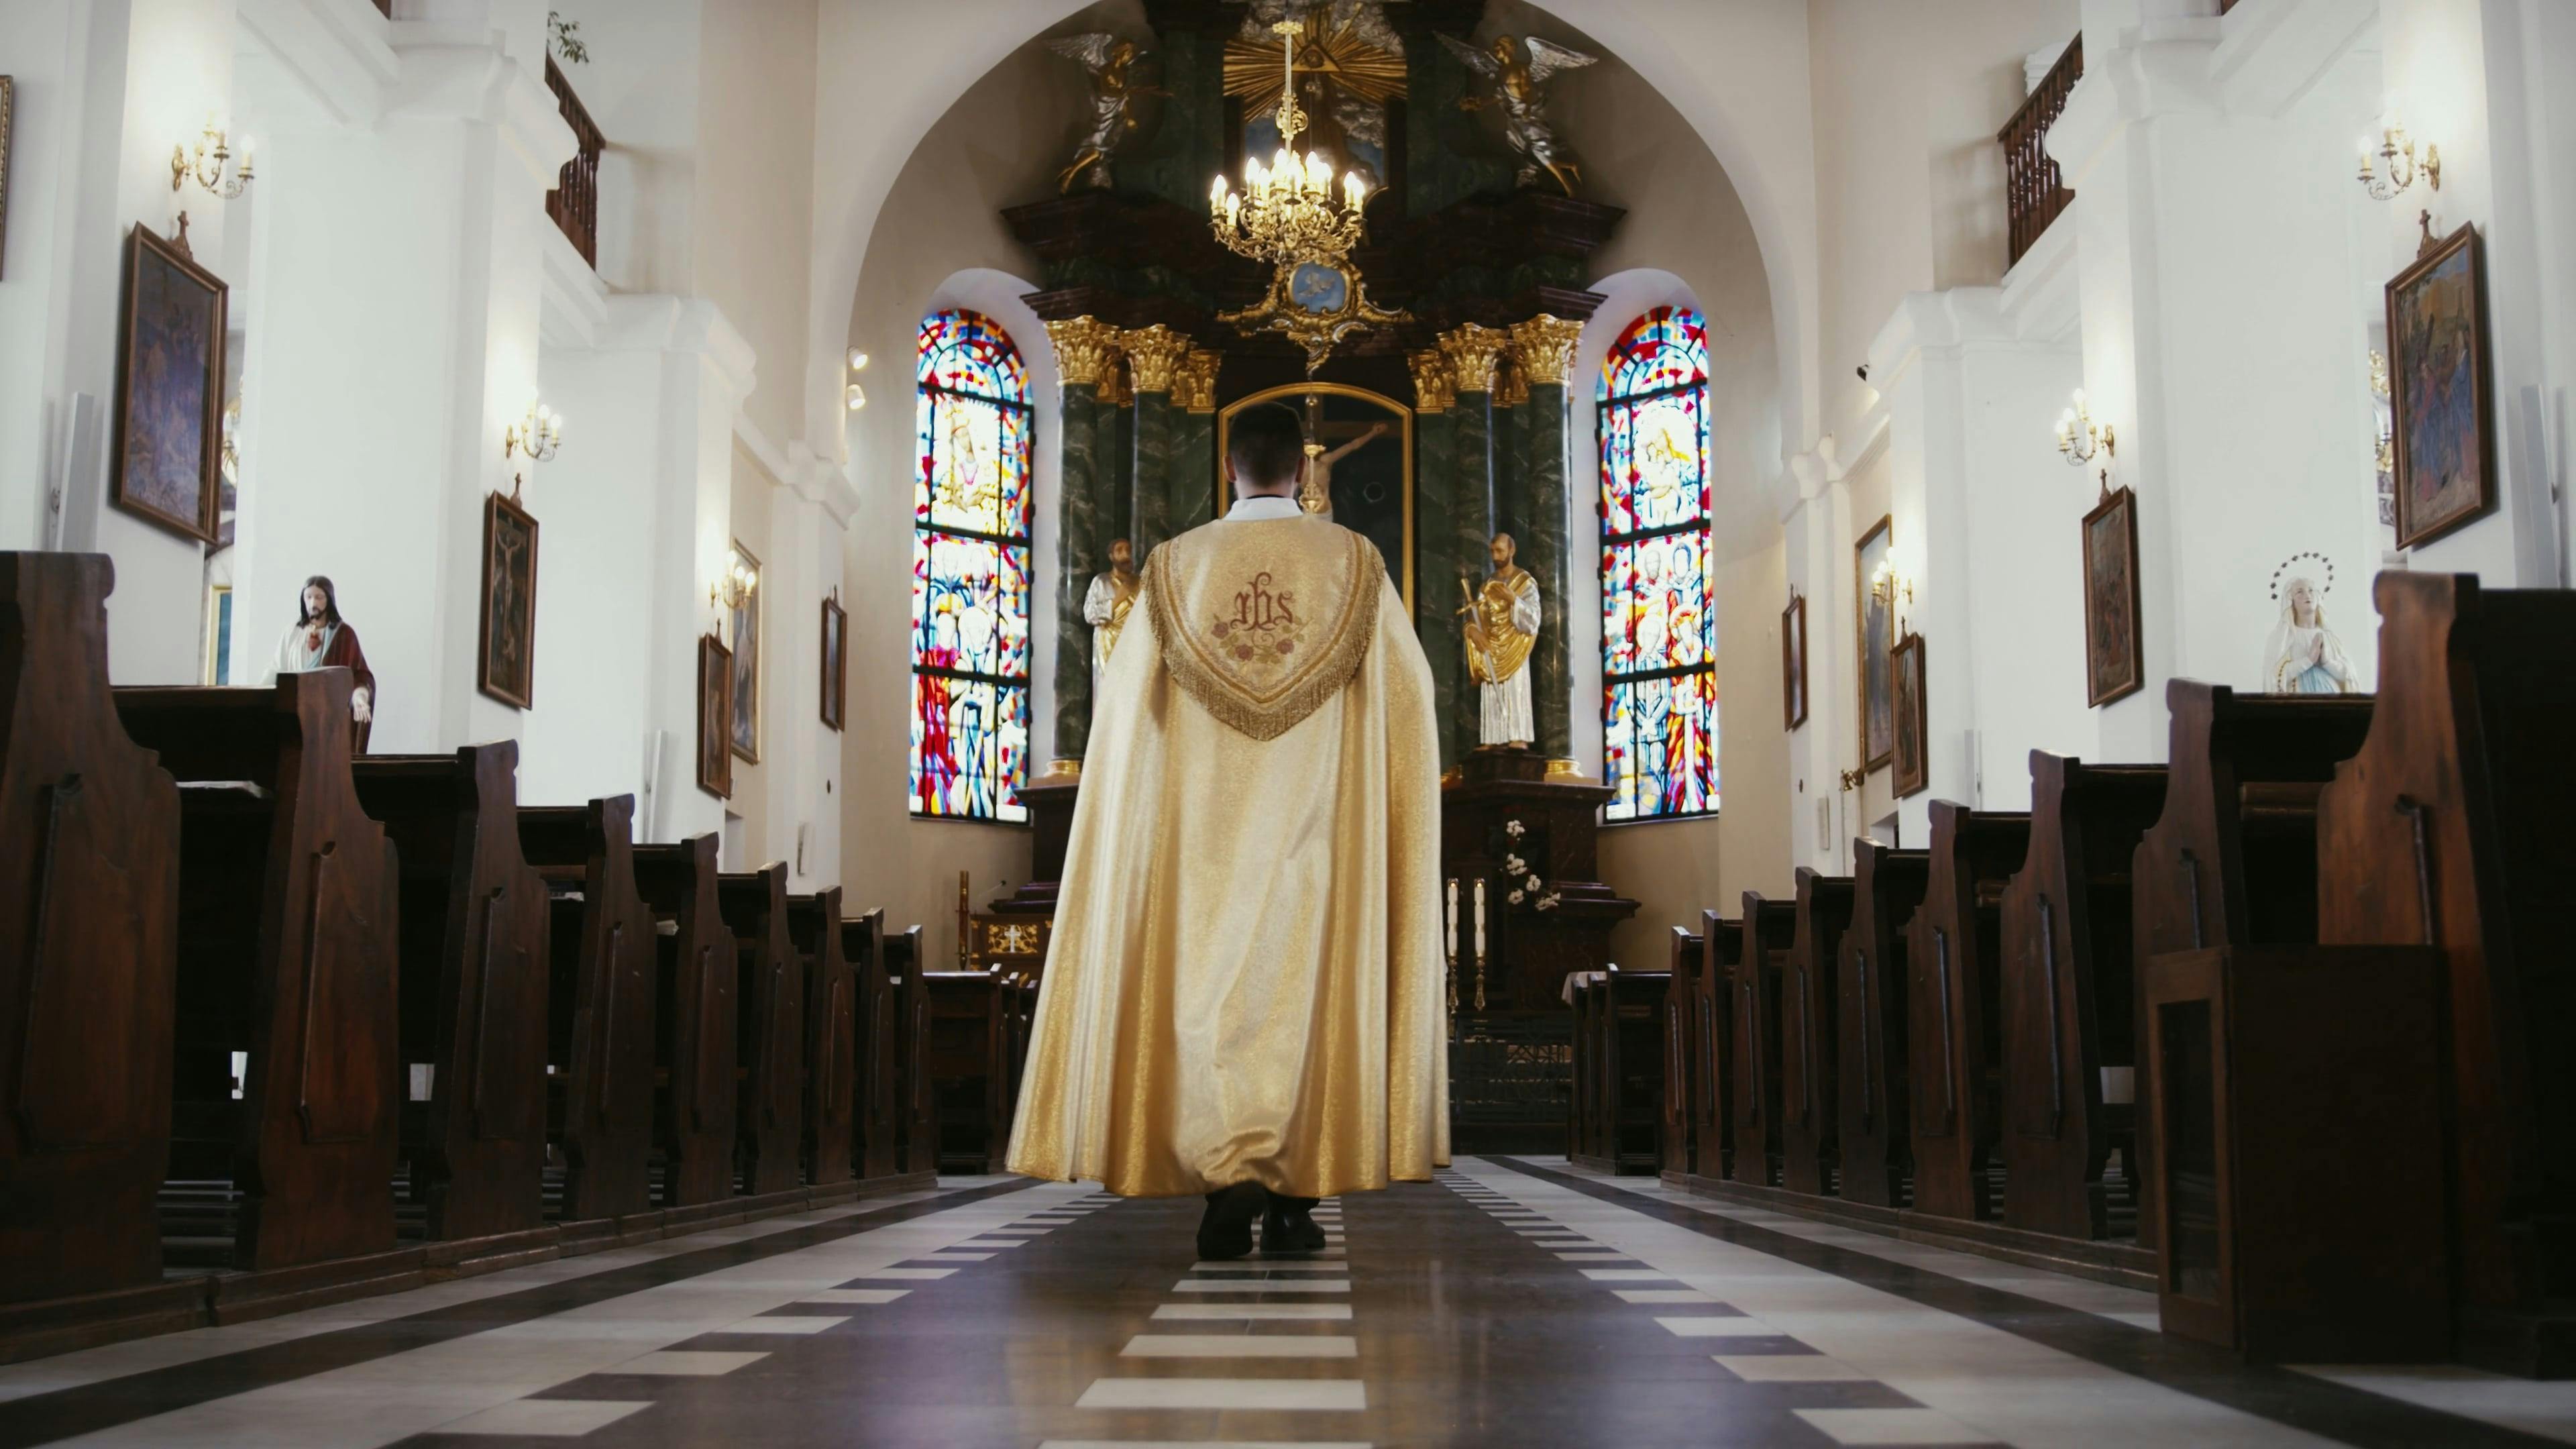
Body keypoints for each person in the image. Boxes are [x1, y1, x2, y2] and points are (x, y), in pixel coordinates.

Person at [1006, 405, 1448, 1260]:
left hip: (1200, 852)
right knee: (1306, 998)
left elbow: (1124, 722)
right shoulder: (1355, 562)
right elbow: (1413, 694)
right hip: (1319, 837)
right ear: (1297, 473)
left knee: (1211, 1003)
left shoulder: (1176, 569)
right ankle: (1293, 1204)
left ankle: (1224, 1189)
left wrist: (1137, 826)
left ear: (1232, 472)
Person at [268, 575, 377, 753]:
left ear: (329, 599)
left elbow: (359, 676)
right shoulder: (292, 633)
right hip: (296, 713)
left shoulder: (343, 635)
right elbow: (277, 668)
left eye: (319, 597)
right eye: (308, 597)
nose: (313, 603)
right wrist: (259, 695)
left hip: (329, 719)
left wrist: (359, 698)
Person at [2262, 575, 2354, 694]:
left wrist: (2327, 663)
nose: (2307, 595)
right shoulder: (2282, 637)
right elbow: (2272, 677)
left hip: (2329, 693)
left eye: (2311, 590)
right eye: (2300, 592)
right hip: (2298, 696)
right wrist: (2308, 661)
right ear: (2291, 601)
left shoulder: (2329, 637)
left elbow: (2348, 675)